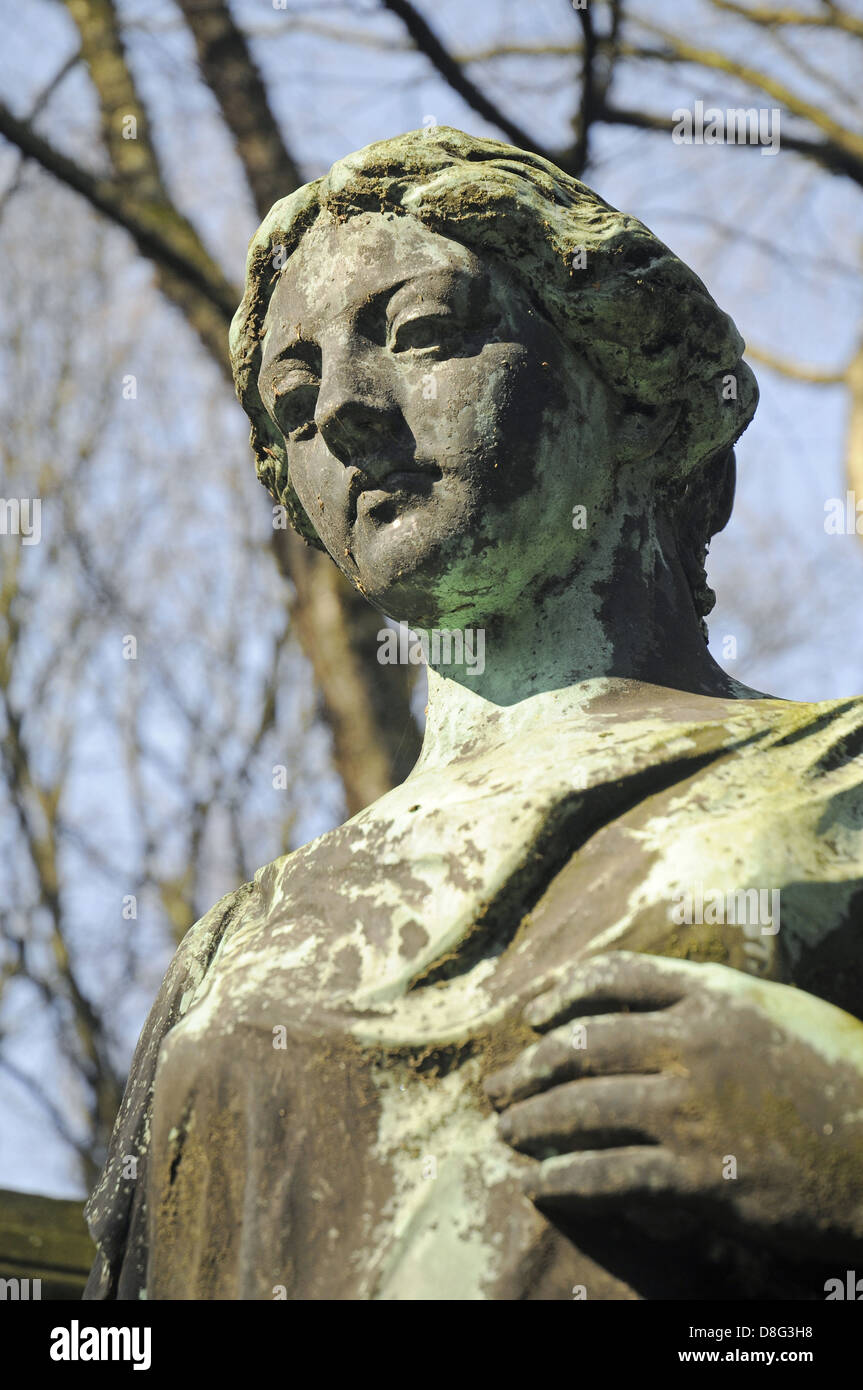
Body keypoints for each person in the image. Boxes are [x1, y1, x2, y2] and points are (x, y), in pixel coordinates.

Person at [84, 127, 863, 1301]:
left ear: (630, 385)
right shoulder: (234, 947)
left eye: (421, 333)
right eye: (291, 406)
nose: (343, 410)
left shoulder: (835, 777)